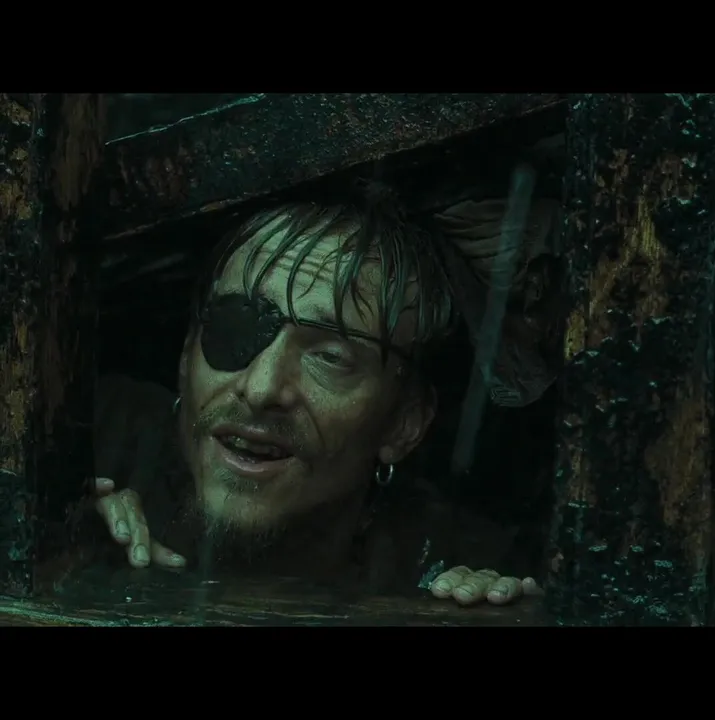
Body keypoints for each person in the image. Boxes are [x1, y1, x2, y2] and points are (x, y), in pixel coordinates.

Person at [76, 182, 539, 606]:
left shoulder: (447, 561)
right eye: (236, 328)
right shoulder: (87, 439)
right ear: (185, 356)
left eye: (330, 358)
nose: (261, 388)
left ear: (405, 423)